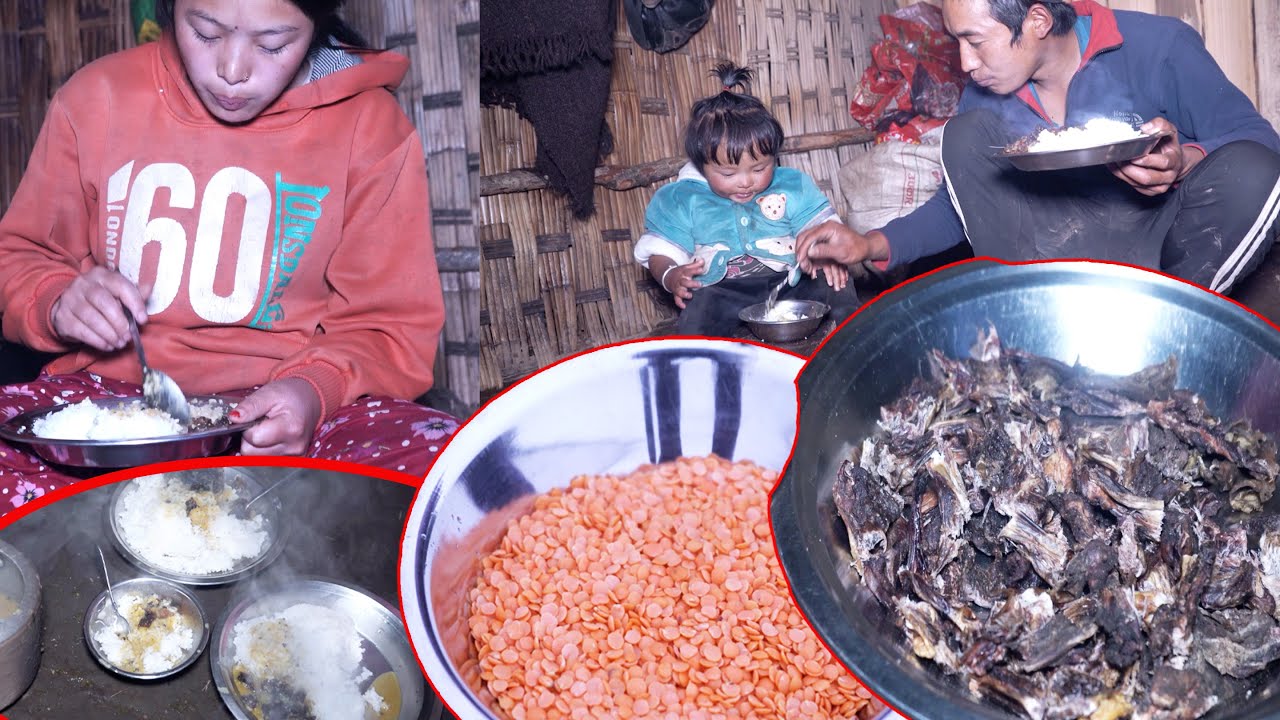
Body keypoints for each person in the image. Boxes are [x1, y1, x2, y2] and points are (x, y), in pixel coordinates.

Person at [0, 0, 459, 508]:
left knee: (443, 475)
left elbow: (389, 327)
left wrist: (313, 391)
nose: (233, 70)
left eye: (272, 44)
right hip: (107, 405)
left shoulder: (369, 128)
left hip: (292, 412)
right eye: (205, 32)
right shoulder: (97, 99)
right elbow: (19, 256)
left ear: (316, 24)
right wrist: (57, 300)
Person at [796, 0, 1280, 295]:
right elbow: (961, 203)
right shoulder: (985, 95)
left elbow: (1257, 140)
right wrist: (869, 244)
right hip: (1056, 258)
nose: (965, 63)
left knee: (1255, 171)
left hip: (1164, 249)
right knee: (964, 135)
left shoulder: (1159, 47)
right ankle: (1042, 328)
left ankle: (1172, 327)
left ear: (1038, 21)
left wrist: (1183, 161)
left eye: (975, 41)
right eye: (956, 42)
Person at [634, 62, 861, 338]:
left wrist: (827, 255)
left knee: (835, 280)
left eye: (759, 168)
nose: (745, 181)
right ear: (702, 165)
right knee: (699, 307)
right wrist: (671, 276)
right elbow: (661, 251)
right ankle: (698, 356)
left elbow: (821, 229)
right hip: (723, 291)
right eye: (728, 173)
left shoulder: (791, 185)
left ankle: (854, 339)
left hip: (790, 282)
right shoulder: (683, 198)